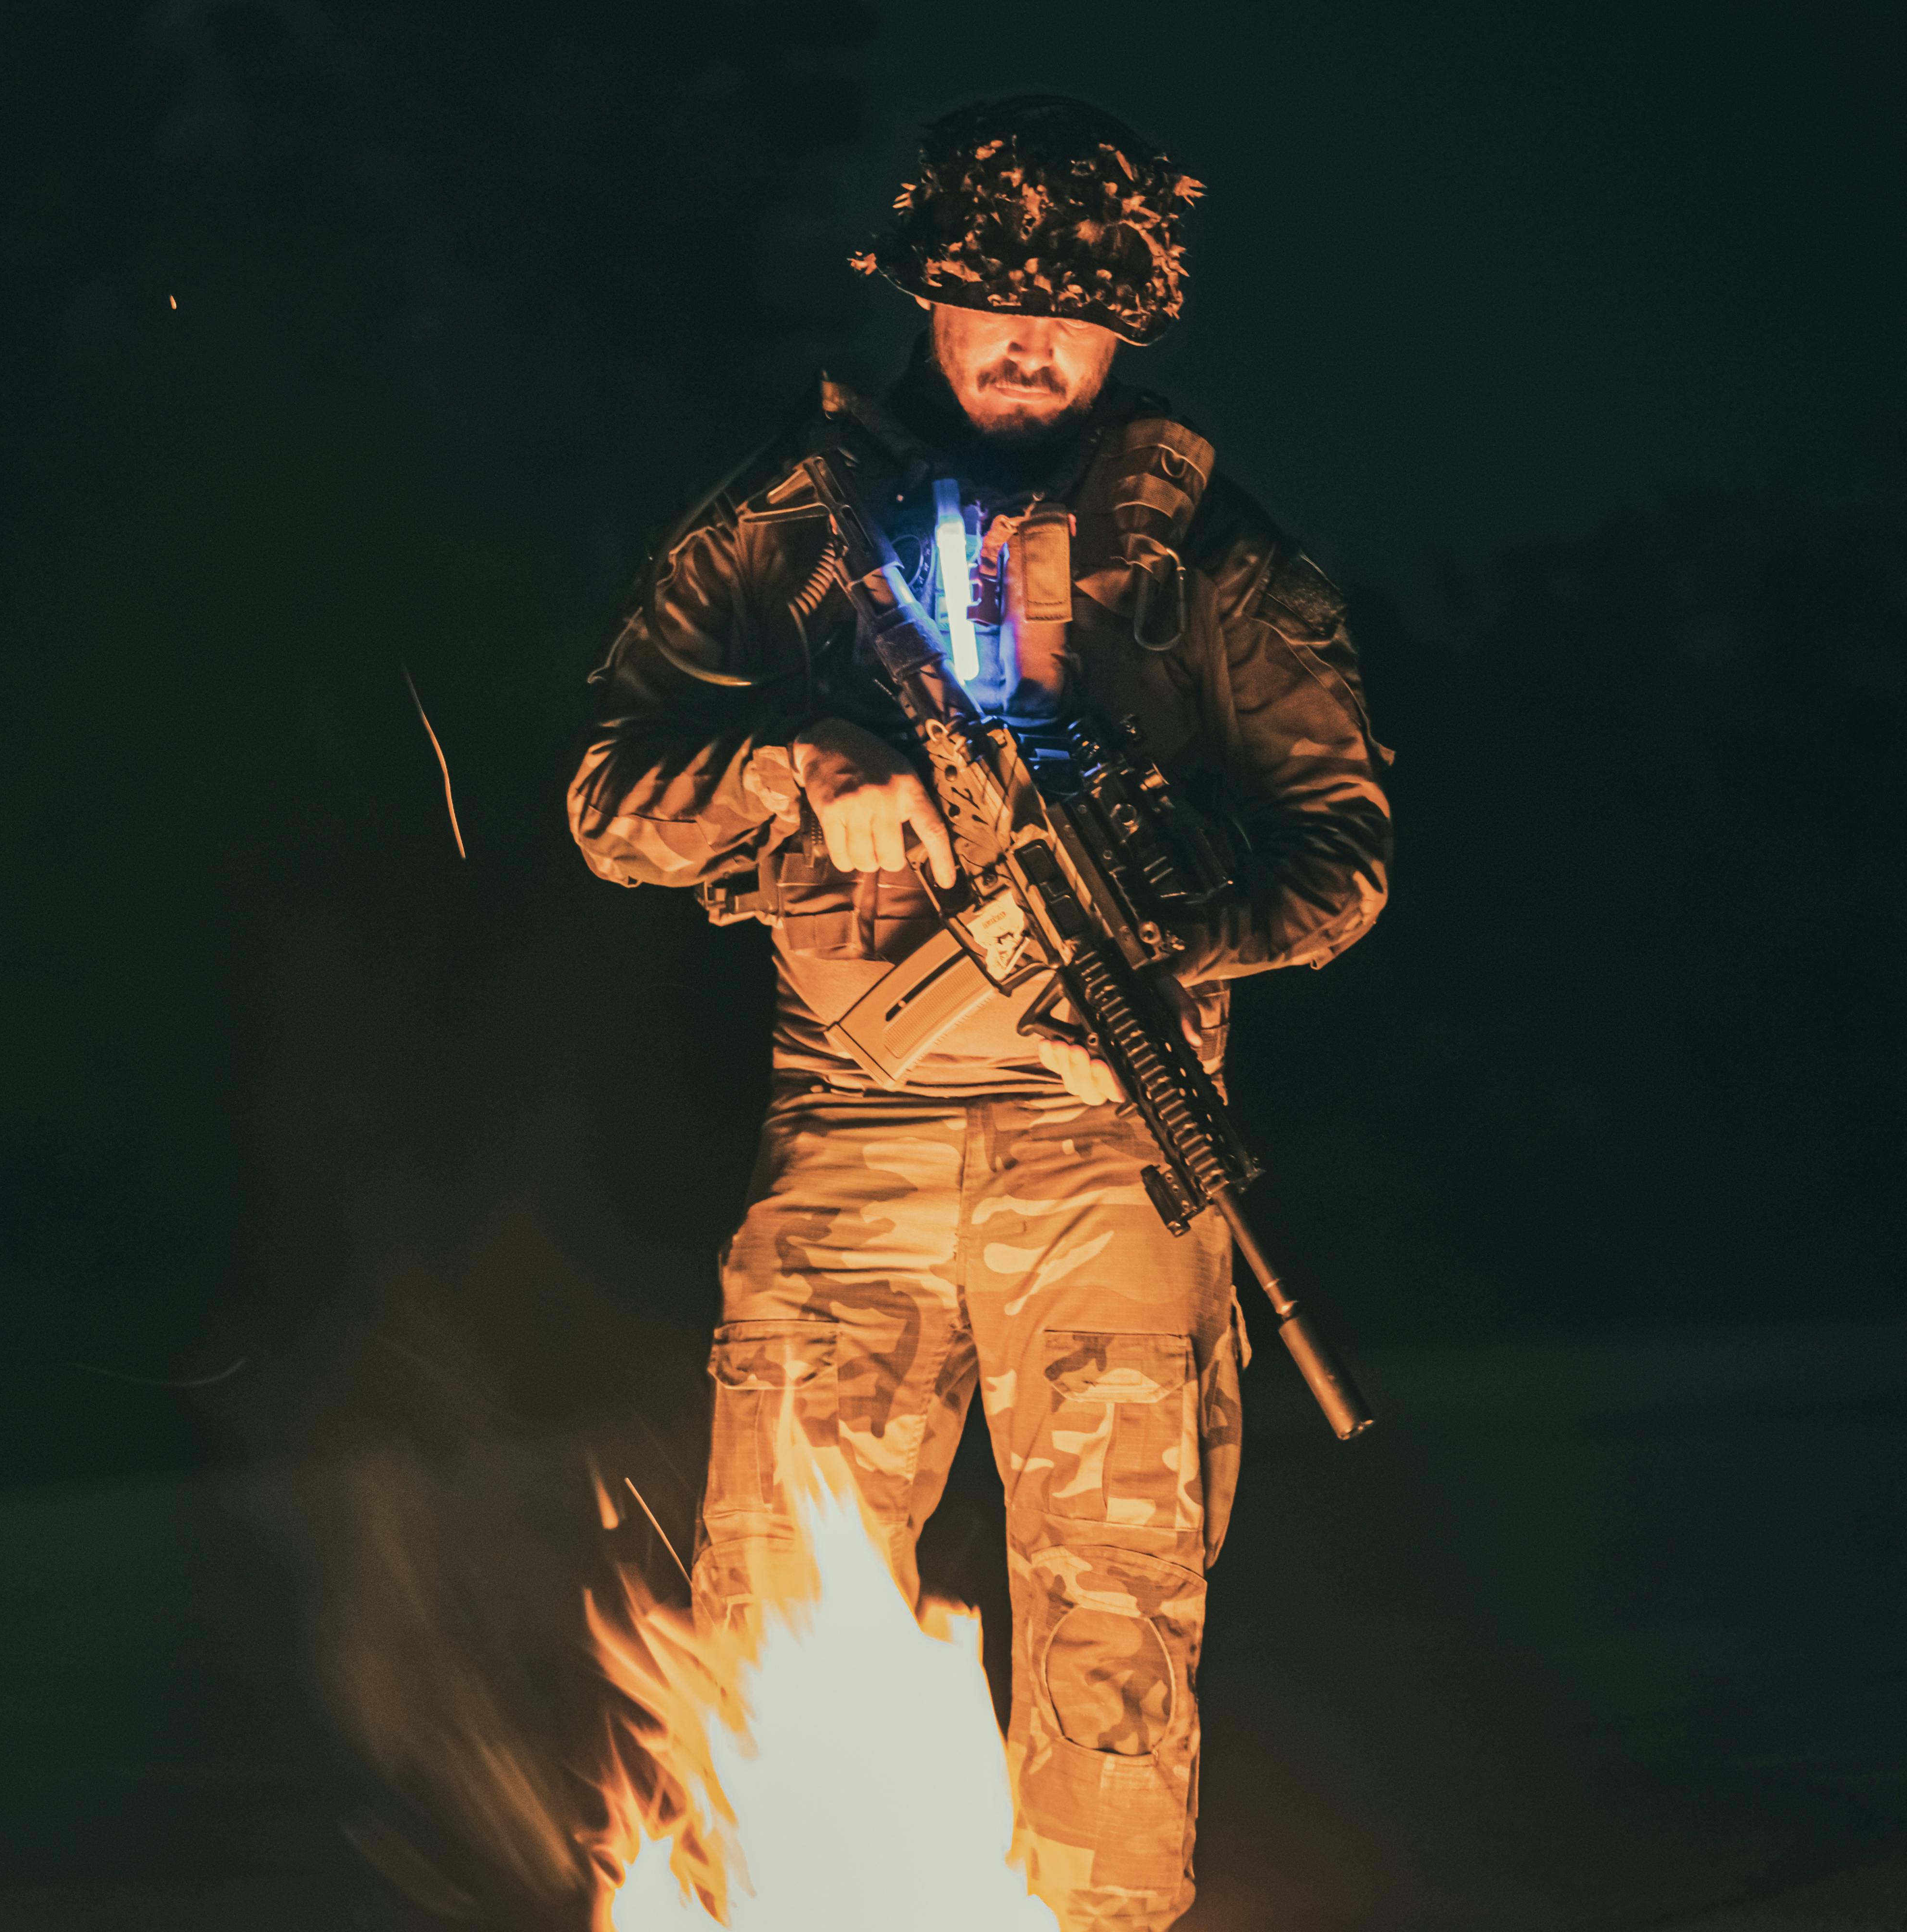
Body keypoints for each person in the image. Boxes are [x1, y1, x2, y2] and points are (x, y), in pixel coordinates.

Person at [566, 97, 1391, 1932]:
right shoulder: (782, 530)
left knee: (1113, 1634)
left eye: (1072, 309)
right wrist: (797, 760)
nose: (1027, 339)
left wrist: (1170, 926)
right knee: (780, 1613)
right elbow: (609, 804)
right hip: (850, 1134)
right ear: (924, 299)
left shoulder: (1221, 570)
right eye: (990, 298)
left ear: (1129, 327)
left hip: (1112, 1147)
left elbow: (1341, 865)